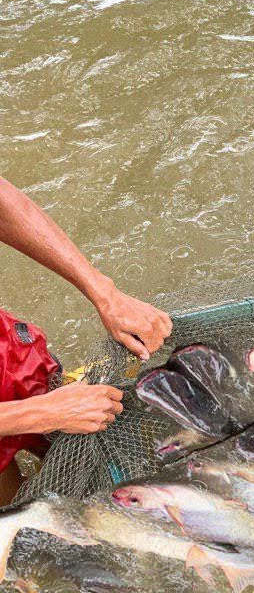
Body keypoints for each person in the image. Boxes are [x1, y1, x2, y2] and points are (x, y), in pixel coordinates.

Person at [0, 175, 171, 503]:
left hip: (6, 356)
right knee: (14, 506)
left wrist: (105, 293)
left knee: (76, 439)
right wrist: (40, 412)